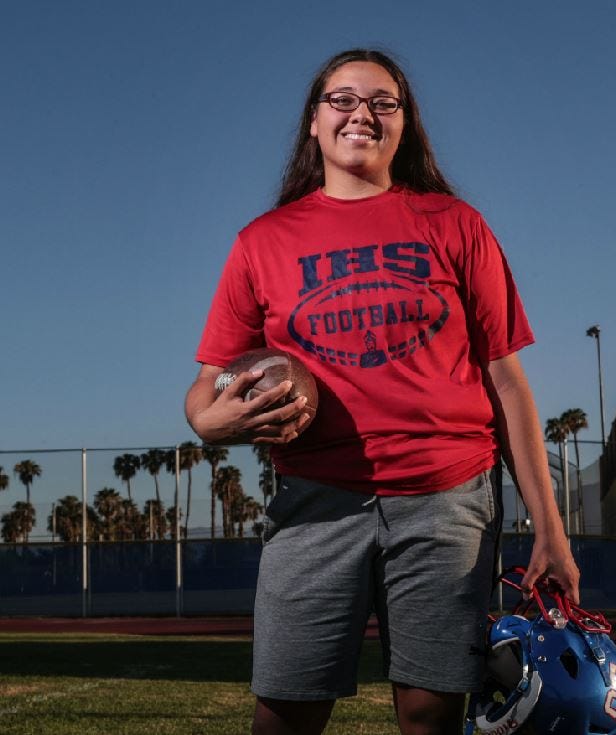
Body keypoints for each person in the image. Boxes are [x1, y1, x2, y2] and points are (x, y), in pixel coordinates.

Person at [182, 49, 580, 735]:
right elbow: (204, 387)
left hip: (445, 496)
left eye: (381, 102)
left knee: (429, 716)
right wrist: (213, 421)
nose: (361, 113)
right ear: (313, 121)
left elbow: (508, 385)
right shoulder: (262, 242)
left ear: (404, 124)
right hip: (314, 501)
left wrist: (549, 526)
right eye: (342, 99)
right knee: (282, 714)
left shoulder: (454, 224)